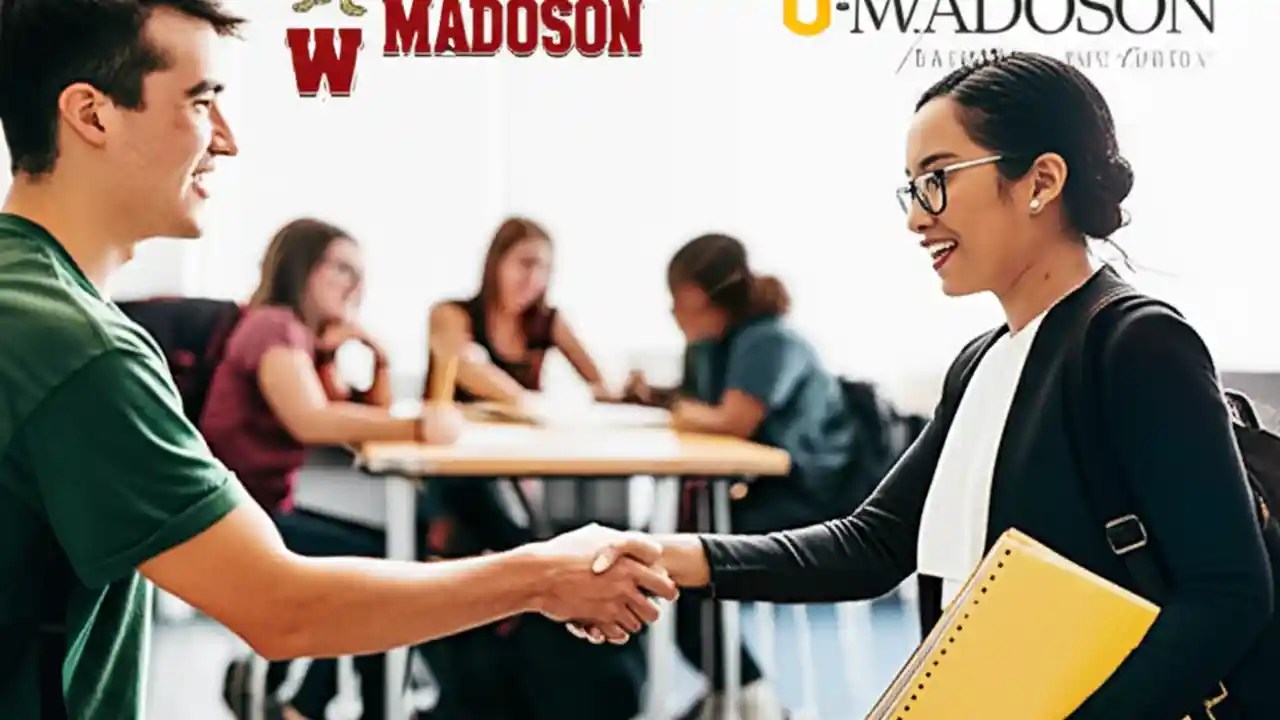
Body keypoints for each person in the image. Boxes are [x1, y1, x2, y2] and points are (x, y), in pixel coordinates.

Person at [0, 3, 675, 719]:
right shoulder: (80, 347)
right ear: (92, 115)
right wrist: (541, 576)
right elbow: (282, 608)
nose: (226, 141)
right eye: (201, 104)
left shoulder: (28, 299)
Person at [576, 52, 1280, 719]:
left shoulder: (1137, 344)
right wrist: (671, 556)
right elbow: (874, 544)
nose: (917, 215)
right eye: (911, 187)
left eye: (938, 177)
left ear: (1041, 181)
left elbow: (1228, 595)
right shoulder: (982, 361)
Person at [626, 233, 858, 720]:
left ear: (706, 296)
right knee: (668, 553)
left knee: (682, 563)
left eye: (678, 299)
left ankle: (751, 698)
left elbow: (732, 419)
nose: (673, 312)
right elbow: (697, 407)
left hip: (817, 498)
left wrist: (681, 409)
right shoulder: (713, 345)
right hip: (758, 490)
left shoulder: (769, 339)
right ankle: (733, 689)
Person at [198, 218, 419, 719]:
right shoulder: (274, 327)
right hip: (235, 520)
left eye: (360, 273)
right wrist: (419, 427)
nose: (354, 285)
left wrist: (379, 359)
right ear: (302, 268)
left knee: (390, 553)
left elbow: (362, 419)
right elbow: (311, 420)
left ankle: (313, 701)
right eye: (341, 268)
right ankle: (313, 705)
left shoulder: (302, 339)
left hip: (259, 511)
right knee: (385, 560)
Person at [425, 216, 614, 405]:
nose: (534, 278)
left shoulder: (549, 321)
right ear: (496, 262)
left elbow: (601, 385)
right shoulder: (450, 314)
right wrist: (528, 402)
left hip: (524, 434)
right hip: (455, 432)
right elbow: (462, 364)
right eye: (526, 263)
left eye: (544, 268)